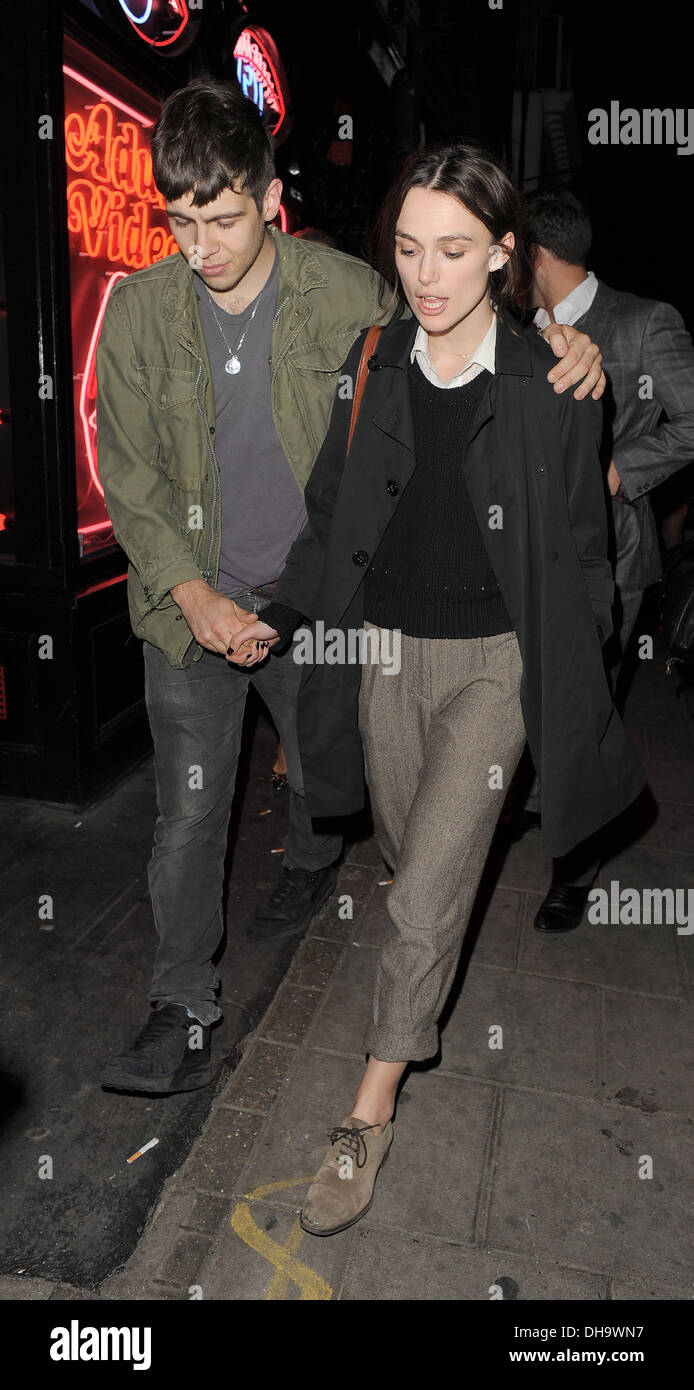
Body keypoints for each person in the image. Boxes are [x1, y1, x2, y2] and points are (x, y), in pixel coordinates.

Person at [95, 77, 605, 1097]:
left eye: (224, 218)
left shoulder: (346, 296)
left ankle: (309, 860)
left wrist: (559, 342)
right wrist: (192, 594)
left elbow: (448, 352)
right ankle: (182, 1001)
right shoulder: (141, 312)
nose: (200, 245)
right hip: (190, 605)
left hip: (317, 600)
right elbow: (130, 470)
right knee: (191, 814)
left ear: (272, 194)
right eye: (180, 220)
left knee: (333, 770)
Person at [228, 143, 644, 1236]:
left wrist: (579, 645)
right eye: (409, 248)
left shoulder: (554, 377)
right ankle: (425, 982)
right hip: (386, 653)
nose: (428, 273)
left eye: (455, 249)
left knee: (420, 895)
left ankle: (366, 1110)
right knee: (419, 858)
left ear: (503, 252)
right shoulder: (369, 363)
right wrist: (281, 617)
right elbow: (330, 515)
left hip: (499, 664)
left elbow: (586, 546)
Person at [509, 190, 694, 933]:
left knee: (584, 711)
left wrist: (618, 470)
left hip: (611, 555)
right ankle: (530, 803)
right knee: (526, 695)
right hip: (524, 550)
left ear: (535, 254)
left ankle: (575, 867)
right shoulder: (517, 329)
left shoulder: (645, 321)